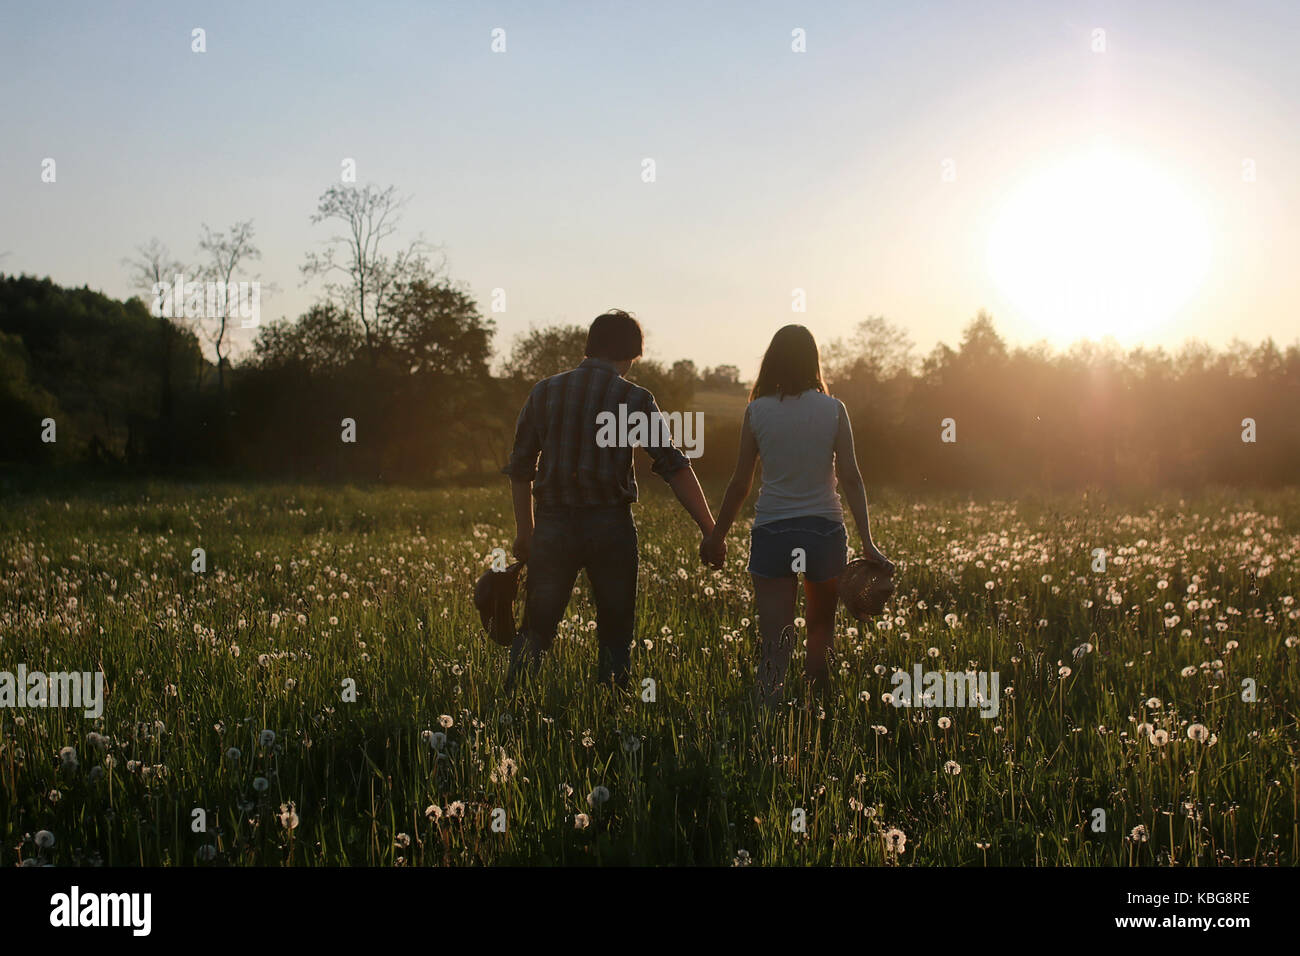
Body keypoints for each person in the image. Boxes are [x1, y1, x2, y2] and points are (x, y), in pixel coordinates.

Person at [502, 309, 720, 689]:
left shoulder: (545, 391)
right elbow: (673, 465)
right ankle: (613, 715)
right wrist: (710, 529)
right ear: (630, 354)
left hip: (552, 525)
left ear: (590, 346)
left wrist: (526, 531)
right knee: (616, 633)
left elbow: (521, 467)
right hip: (611, 527)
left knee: (536, 627)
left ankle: (511, 706)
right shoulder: (634, 398)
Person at [702, 324, 892, 705]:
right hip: (823, 532)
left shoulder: (756, 411)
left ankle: (766, 724)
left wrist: (716, 535)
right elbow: (851, 478)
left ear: (771, 360)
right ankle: (816, 714)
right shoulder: (834, 410)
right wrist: (868, 541)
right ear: (813, 360)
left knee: (775, 640)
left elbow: (740, 482)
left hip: (774, 532)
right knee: (821, 631)